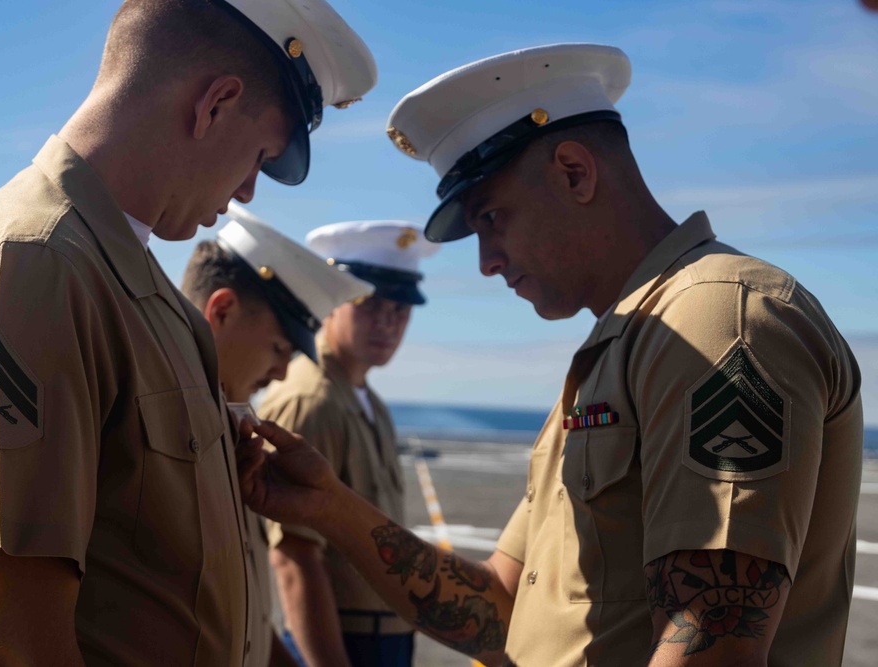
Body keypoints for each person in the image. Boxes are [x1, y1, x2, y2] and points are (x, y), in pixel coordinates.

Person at [237, 44, 864, 667]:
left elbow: (710, 639)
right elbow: (500, 607)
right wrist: (330, 508)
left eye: (492, 218)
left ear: (574, 173)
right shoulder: (620, 348)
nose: (486, 262)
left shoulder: (716, 318)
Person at [0, 0, 376, 664]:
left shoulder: (141, 292)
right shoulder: (31, 266)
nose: (248, 191)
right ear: (215, 104)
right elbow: (13, 642)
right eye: (260, 157)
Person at [179, 203, 373, 667]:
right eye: (279, 348)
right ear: (222, 312)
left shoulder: (221, 429)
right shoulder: (165, 425)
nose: (283, 373)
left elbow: (244, 618)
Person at [258, 221, 438, 667]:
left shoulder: (369, 401)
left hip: (384, 635)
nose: (387, 322)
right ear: (333, 299)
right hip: (340, 641)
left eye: (400, 309)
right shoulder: (311, 399)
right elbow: (294, 556)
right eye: (370, 304)